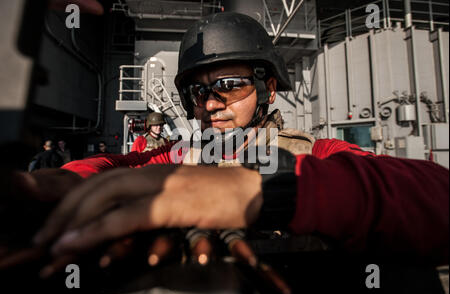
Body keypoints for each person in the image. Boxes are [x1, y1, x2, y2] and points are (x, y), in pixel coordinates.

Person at [6, 13, 449, 276]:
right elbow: (112, 165)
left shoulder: (317, 154)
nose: (212, 104)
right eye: (199, 93)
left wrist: (268, 192)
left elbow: (434, 196)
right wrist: (60, 184)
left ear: (268, 89)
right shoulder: (175, 156)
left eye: (231, 86)